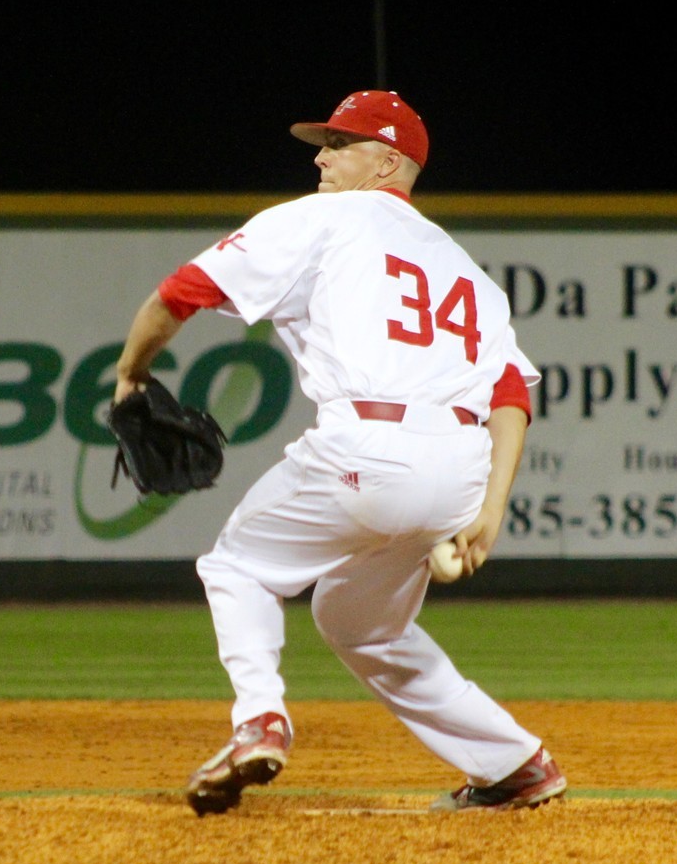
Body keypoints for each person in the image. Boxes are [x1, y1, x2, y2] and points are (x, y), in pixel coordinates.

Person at [113, 89, 566, 815]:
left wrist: (131, 375)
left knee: (238, 566)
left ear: (387, 161)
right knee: (360, 621)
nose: (320, 157)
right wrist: (490, 510)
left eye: (339, 144)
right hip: (457, 467)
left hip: (368, 447)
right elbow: (512, 395)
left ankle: (259, 720)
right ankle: (515, 763)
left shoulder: (322, 218)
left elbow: (181, 291)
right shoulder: (467, 271)